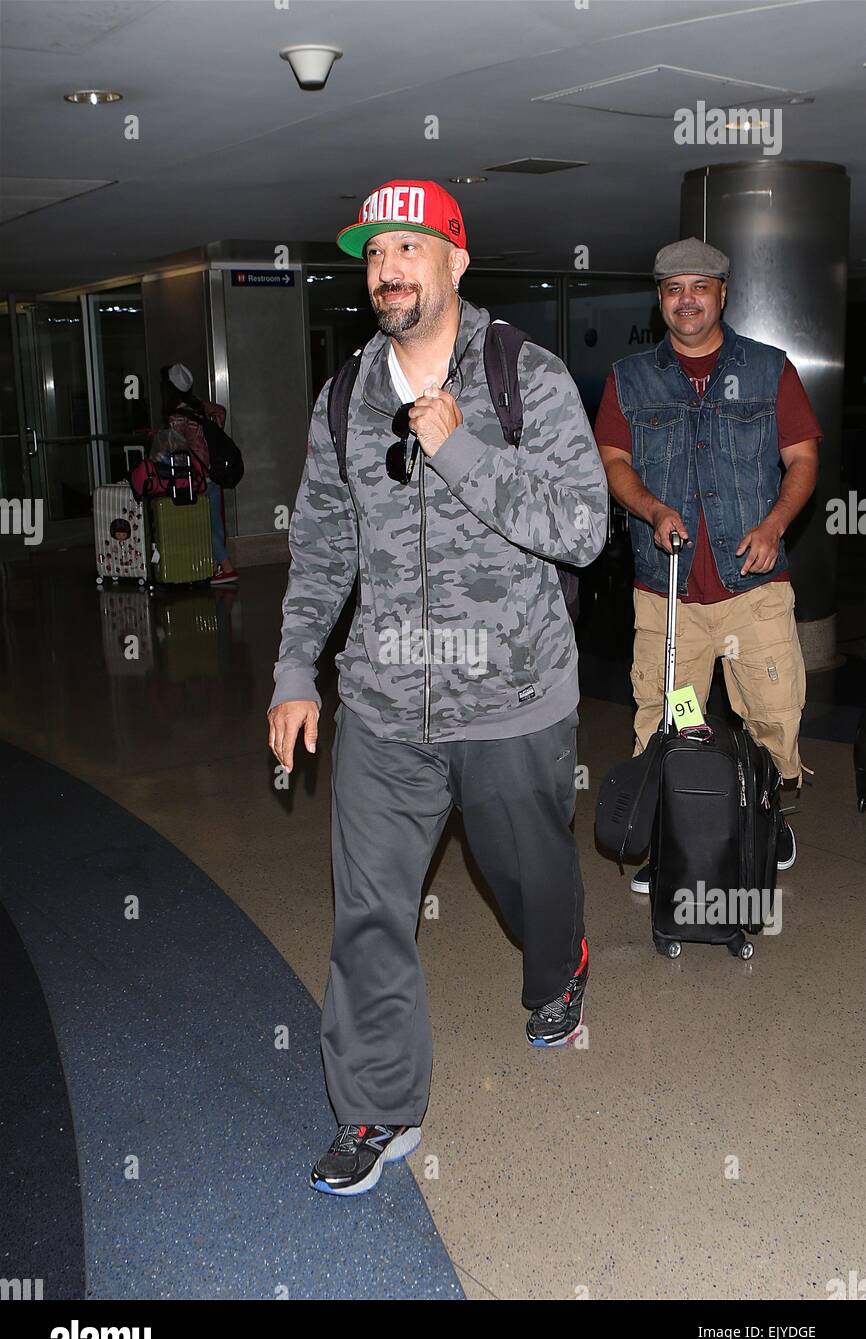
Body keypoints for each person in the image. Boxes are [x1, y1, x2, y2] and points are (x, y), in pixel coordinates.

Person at [267, 178, 608, 1196]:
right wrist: (296, 669)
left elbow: (582, 527)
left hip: (510, 697)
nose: (385, 271)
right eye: (373, 255)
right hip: (382, 705)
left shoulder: (524, 378)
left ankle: (560, 966)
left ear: (456, 261)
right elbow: (324, 546)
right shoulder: (343, 399)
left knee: (525, 880)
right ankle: (373, 1107)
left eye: (407, 249)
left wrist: (457, 447)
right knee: (368, 907)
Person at [594, 237, 821, 893]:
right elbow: (614, 463)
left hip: (753, 592)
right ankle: (675, 845)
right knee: (672, 719)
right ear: (660, 299)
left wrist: (776, 525)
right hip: (668, 600)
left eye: (699, 287)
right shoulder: (630, 377)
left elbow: (802, 459)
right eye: (672, 289)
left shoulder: (769, 369)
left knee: (775, 714)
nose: (686, 300)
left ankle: (765, 820)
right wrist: (652, 509)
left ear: (723, 293)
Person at [160, 363, 239, 585]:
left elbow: (174, 447)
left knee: (203, 523)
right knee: (215, 521)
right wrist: (213, 433)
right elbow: (221, 411)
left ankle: (226, 566)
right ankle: (217, 567)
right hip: (212, 472)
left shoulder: (177, 415)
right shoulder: (198, 406)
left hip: (197, 475)